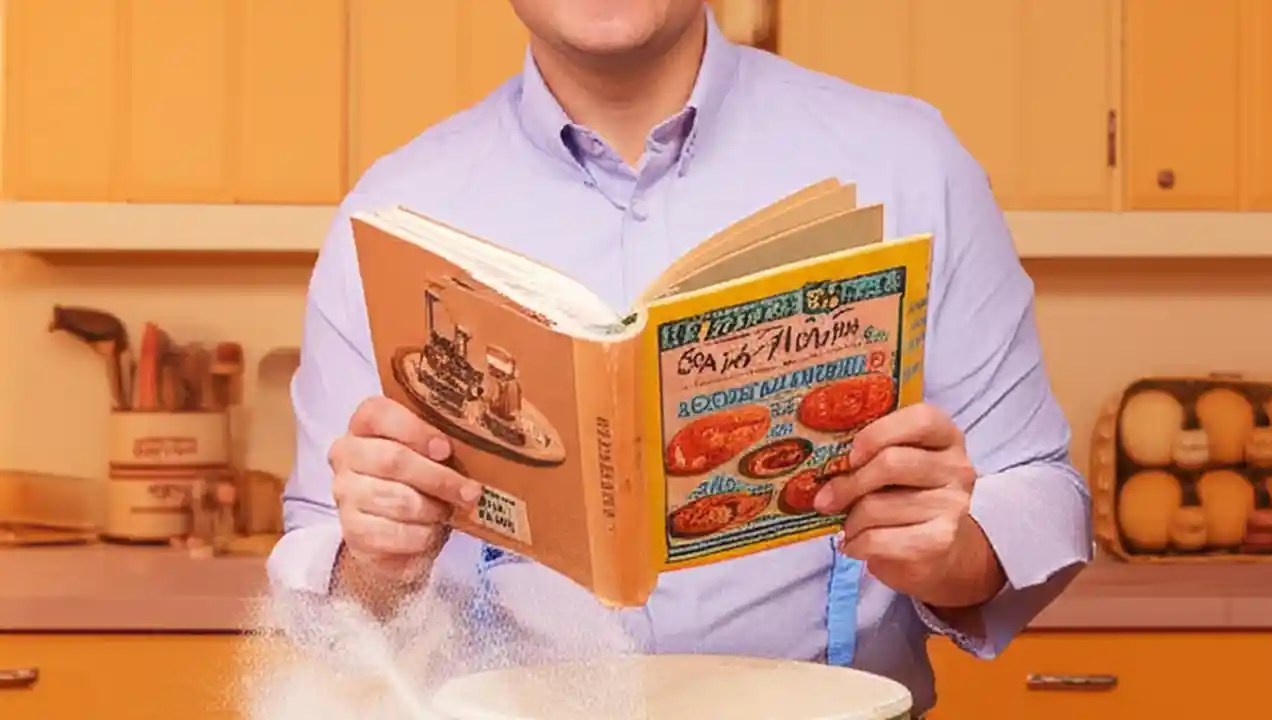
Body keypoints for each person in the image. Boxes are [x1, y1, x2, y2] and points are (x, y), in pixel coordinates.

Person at [269, 2, 1091, 716]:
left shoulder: (911, 164)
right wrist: (372, 565)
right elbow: (321, 601)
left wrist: (954, 554)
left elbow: (1045, 496)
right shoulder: (390, 217)